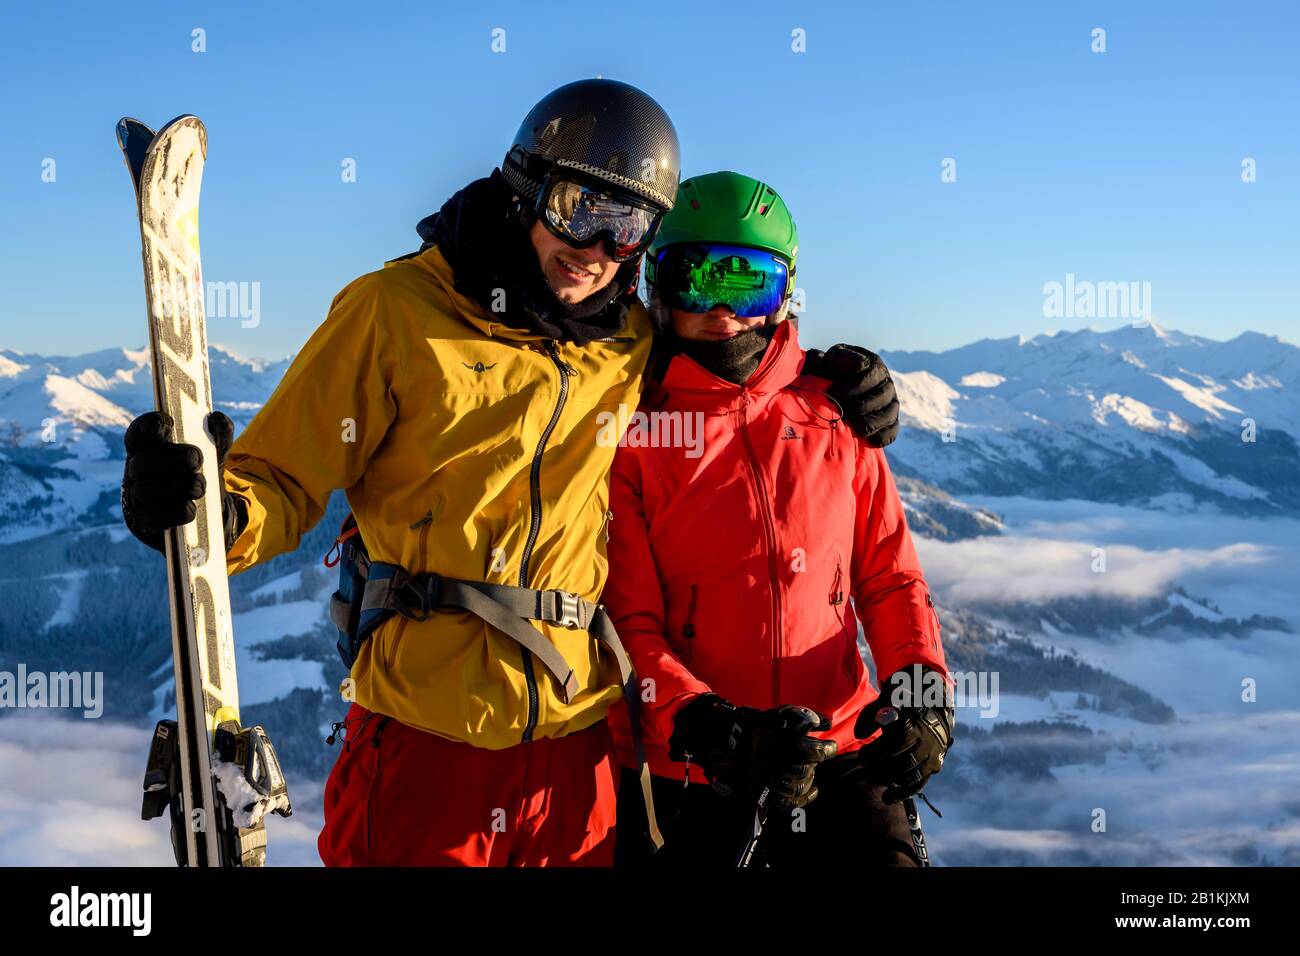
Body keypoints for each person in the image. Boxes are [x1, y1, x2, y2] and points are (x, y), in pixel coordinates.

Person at [118, 81, 904, 867]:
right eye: (577, 208)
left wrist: (833, 377)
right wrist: (217, 515)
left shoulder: (627, 341)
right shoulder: (395, 313)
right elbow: (281, 477)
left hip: (577, 756)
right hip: (429, 745)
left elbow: (735, 373)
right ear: (526, 184)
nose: (595, 248)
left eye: (625, 227)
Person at [603, 171, 954, 867]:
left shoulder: (836, 417)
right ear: (655, 286)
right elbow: (626, 624)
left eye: (748, 283)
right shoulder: (634, 435)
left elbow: (889, 581)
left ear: (783, 294)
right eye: (695, 278)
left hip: (841, 753)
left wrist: (919, 688)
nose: (721, 310)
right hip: (695, 769)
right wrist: (706, 724)